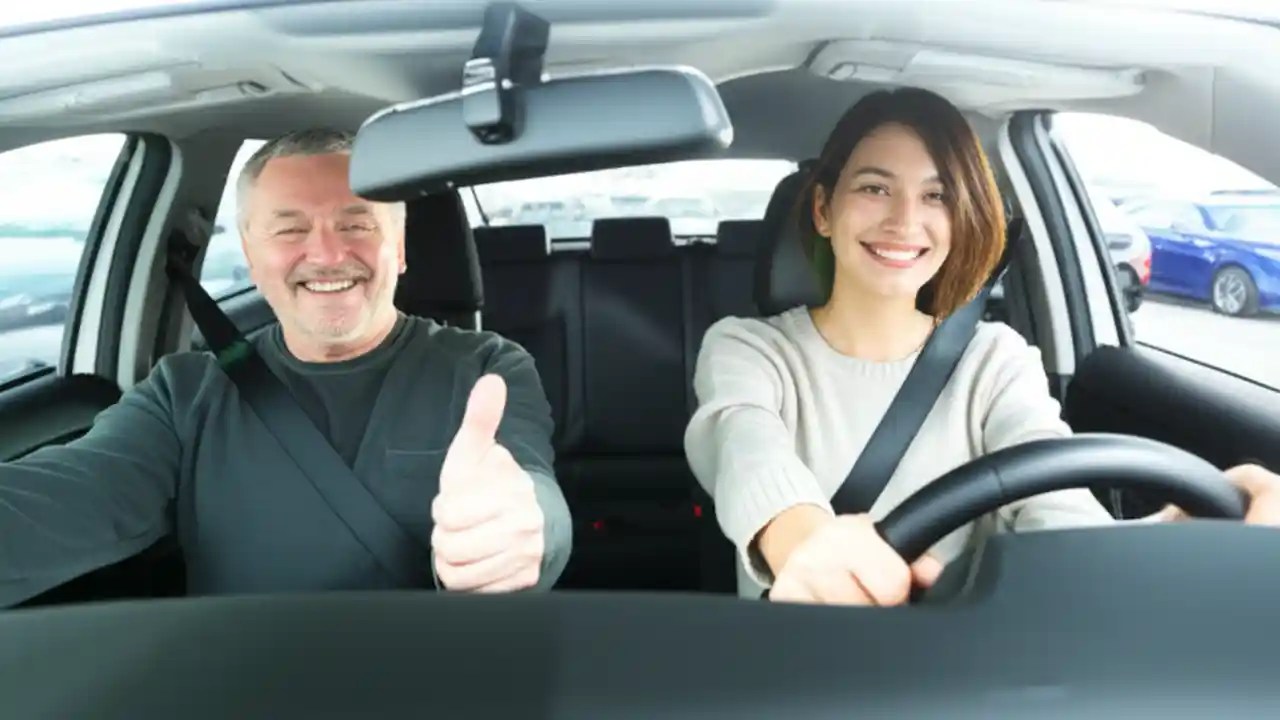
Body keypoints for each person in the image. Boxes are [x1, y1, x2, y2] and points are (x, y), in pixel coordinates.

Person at [683, 87, 1280, 605]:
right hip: (799, 652)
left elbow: (1059, 508)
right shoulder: (749, 349)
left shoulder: (996, 360)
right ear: (822, 209)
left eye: (937, 196)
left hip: (969, 666)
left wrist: (1182, 528)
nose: (904, 221)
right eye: (874, 187)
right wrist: (807, 544)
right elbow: (746, 454)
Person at [0, 128, 571, 606]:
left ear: (398, 248)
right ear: (251, 255)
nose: (325, 254)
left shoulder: (486, 369)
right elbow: (71, 496)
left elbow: (532, 497)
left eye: (356, 223)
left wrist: (521, 534)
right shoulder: (186, 392)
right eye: (290, 229)